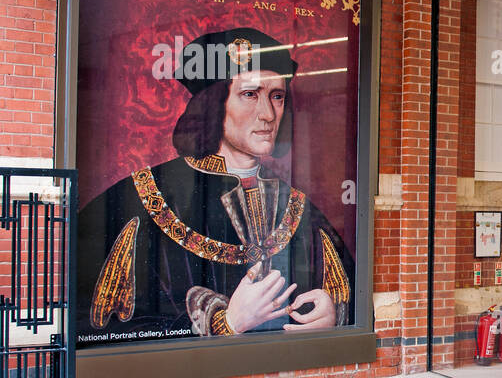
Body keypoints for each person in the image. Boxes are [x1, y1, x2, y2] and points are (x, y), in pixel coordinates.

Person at [77, 27, 354, 343]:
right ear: (214, 103)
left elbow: (348, 297)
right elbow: (97, 329)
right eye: (249, 94)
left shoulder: (299, 207)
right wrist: (228, 323)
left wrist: (332, 313)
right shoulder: (140, 200)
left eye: (276, 96)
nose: (267, 114)